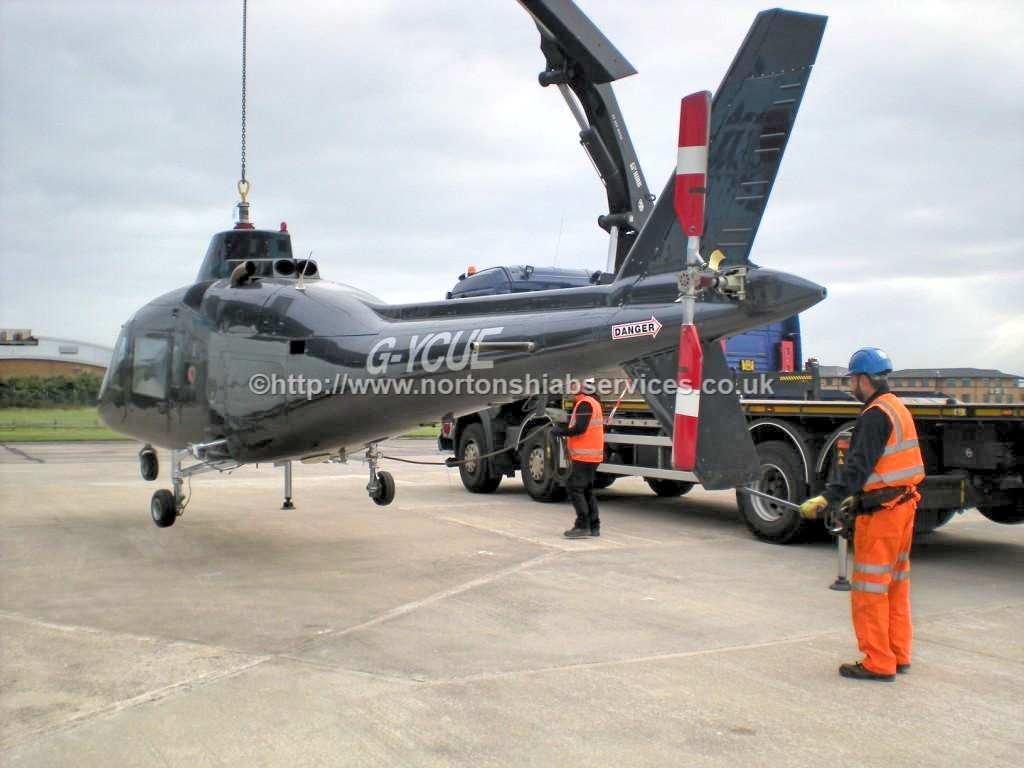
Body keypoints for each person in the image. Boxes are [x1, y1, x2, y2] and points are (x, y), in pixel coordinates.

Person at [799, 348, 925, 682]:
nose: (850, 386)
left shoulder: (873, 415)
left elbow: (858, 467)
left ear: (863, 379)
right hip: (903, 507)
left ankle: (877, 662)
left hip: (883, 513)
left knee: (870, 589)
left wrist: (828, 498)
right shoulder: (896, 407)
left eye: (852, 380)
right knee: (895, 587)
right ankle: (898, 653)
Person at [554, 378, 605, 538]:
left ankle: (582, 525)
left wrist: (558, 432)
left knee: (575, 488)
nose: (570, 388)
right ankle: (594, 526)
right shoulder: (592, 402)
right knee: (587, 490)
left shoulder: (585, 404)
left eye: (574, 385)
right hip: (590, 456)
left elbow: (580, 428)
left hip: (584, 456)